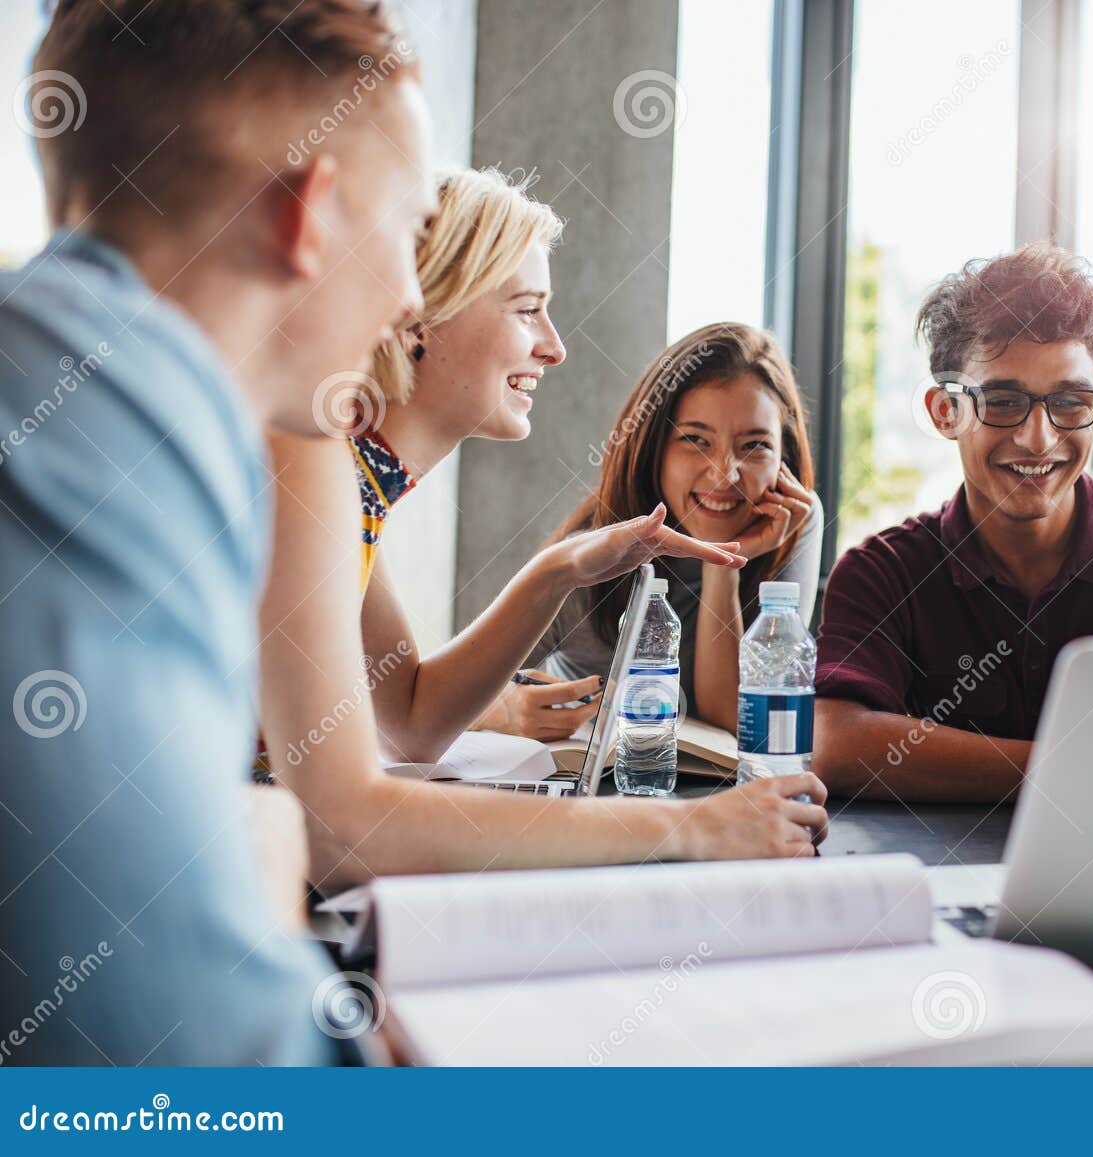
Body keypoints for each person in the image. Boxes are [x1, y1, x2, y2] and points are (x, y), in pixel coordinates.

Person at [0, 0, 434, 1063]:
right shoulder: (113, 420)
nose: (416, 294)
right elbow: (168, 1061)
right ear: (309, 215)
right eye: (411, 230)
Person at [258, 169, 828, 889]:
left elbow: (410, 719)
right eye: (528, 309)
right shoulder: (317, 476)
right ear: (418, 317)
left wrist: (558, 568)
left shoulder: (358, 488)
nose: (555, 348)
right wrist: (692, 826)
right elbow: (342, 828)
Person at [812, 243, 1093, 803]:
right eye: (1003, 401)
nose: (1038, 438)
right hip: (932, 885)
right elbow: (839, 745)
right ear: (944, 411)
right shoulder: (882, 571)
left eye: (1070, 402)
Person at [535, 322, 822, 733]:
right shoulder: (588, 556)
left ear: (784, 459)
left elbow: (734, 718)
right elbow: (465, 695)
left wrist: (723, 563)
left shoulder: (794, 519)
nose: (726, 475)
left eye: (754, 446)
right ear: (654, 448)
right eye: (696, 440)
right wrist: (507, 710)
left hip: (710, 786)